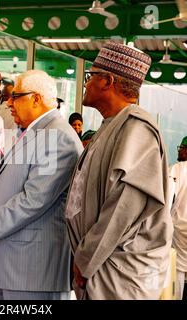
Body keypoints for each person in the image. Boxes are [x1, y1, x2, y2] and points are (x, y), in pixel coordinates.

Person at [0, 70, 83, 300]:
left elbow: (33, 201)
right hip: (17, 267)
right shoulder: (37, 131)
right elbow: (30, 186)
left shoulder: (57, 136)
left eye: (15, 96)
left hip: (32, 271)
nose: (8, 102)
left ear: (36, 99)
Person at [65, 41, 173, 300]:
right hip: (99, 266)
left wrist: (86, 258)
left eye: (91, 77)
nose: (86, 83)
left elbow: (123, 208)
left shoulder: (138, 129)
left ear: (107, 81)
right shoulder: (112, 125)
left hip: (118, 273)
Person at [169, 136, 187, 300]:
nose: (179, 151)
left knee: (178, 271)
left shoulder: (177, 169)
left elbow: (168, 197)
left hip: (180, 229)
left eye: (181, 147)